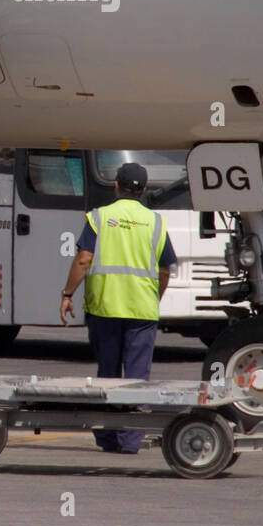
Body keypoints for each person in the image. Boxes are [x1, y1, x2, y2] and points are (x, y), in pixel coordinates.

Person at [59, 162, 177, 454]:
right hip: (141, 311)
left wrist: (67, 294)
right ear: (145, 190)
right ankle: (130, 441)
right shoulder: (156, 222)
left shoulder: (100, 217)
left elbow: (84, 259)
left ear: (116, 186)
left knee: (108, 375)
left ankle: (108, 437)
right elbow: (165, 269)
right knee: (137, 379)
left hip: (105, 309)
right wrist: (154, 296)